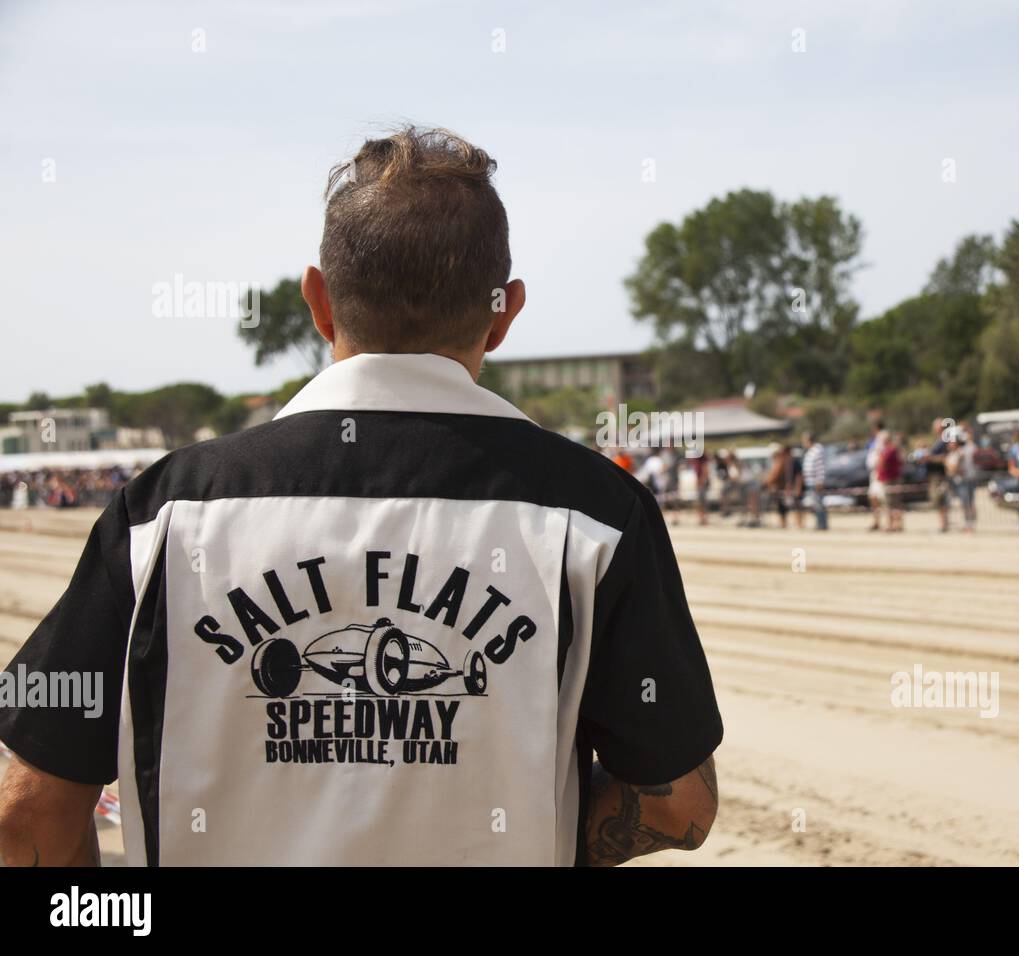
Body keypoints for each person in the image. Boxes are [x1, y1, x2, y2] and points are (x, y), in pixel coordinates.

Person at [0, 127, 721, 868]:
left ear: (318, 301)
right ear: (505, 314)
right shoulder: (598, 516)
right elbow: (679, 806)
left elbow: (26, 815)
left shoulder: (162, 515)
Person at [947, 427, 978, 532]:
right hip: (962, 481)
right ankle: (969, 523)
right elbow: (952, 469)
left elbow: (953, 468)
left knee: (967, 502)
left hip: (966, 480)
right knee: (967, 502)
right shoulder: (956, 453)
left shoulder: (964, 450)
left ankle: (970, 523)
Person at [765, 444, 802, 529]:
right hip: (783, 488)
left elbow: (798, 476)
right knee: (783, 507)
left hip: (788, 488)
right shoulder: (781, 461)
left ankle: (798, 524)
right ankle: (784, 524)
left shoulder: (791, 461)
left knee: (796, 506)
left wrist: (797, 487)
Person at [924, 419, 952, 533]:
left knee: (941, 499)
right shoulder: (938, 441)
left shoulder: (944, 441)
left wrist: (930, 458)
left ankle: (944, 525)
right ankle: (943, 524)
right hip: (934, 475)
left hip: (940, 475)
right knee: (938, 501)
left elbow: (945, 457)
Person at [875, 430, 904, 532]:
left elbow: (882, 464)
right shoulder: (893, 449)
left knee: (890, 504)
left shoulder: (889, 450)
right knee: (894, 503)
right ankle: (897, 524)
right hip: (891, 479)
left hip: (890, 480)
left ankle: (893, 525)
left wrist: (879, 454)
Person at [801, 432, 828, 531]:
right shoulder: (811, 451)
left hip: (815, 482)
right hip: (810, 482)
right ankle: (819, 523)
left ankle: (822, 525)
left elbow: (820, 467)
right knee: (815, 504)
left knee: (819, 504)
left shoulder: (817, 451)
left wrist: (819, 480)